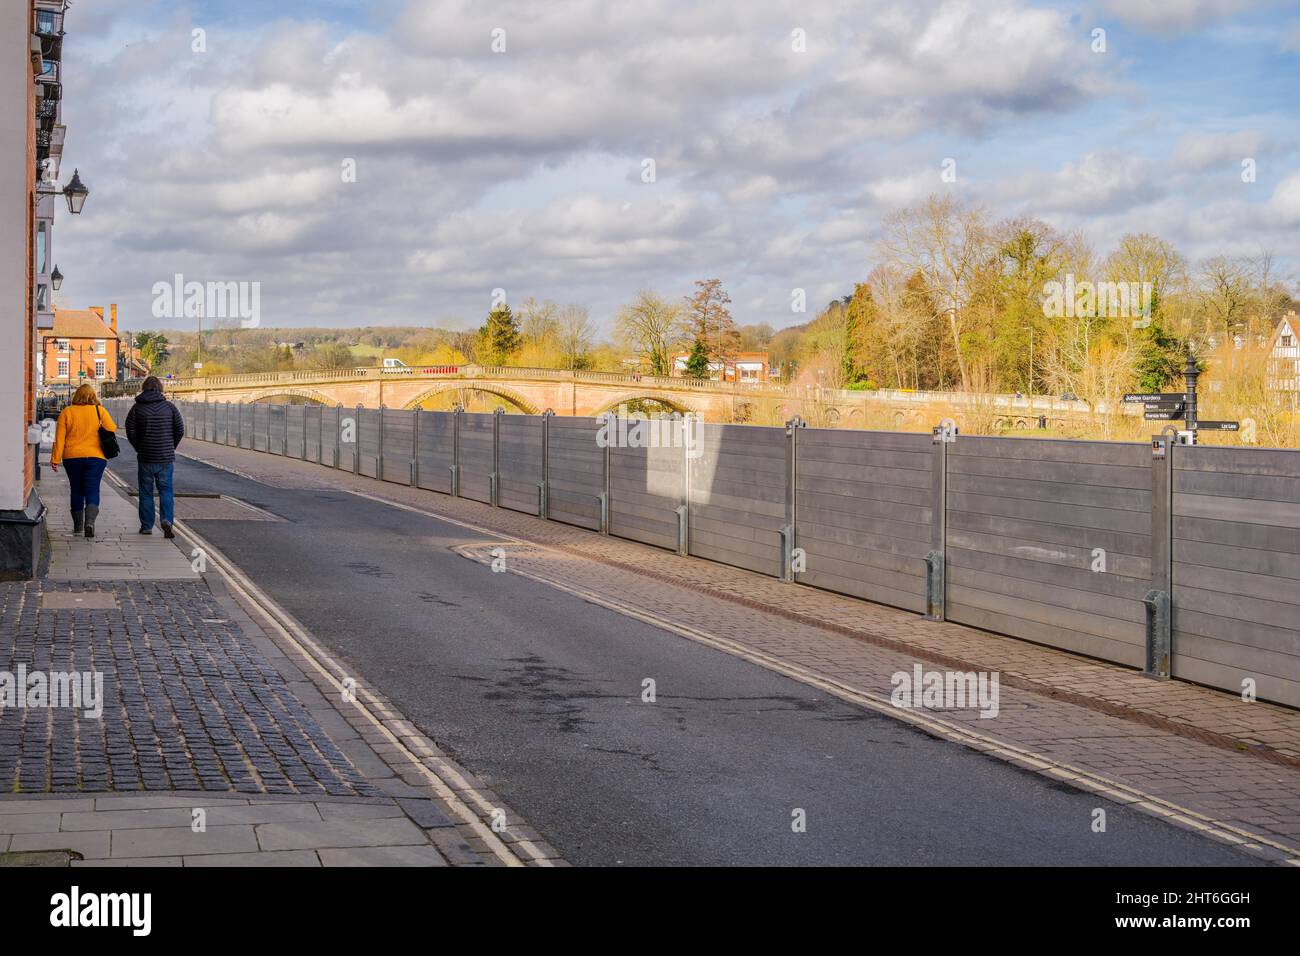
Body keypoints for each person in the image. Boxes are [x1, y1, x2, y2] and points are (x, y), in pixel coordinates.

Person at [49, 383, 116, 538]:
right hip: (96, 457)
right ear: (93, 396)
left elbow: (59, 438)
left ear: (76, 396)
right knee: (92, 489)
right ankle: (90, 523)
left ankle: (78, 526)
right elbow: (111, 428)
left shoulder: (67, 412)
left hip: (72, 458)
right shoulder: (100, 410)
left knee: (77, 490)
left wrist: (55, 459)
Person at [125, 376, 185, 538]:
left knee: (145, 492)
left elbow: (129, 430)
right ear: (160, 388)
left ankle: (146, 526)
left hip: (145, 457)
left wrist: (139, 446)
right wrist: (171, 446)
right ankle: (166, 521)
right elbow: (180, 429)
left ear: (144, 388)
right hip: (165, 458)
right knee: (166, 491)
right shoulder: (170, 407)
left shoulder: (137, 408)